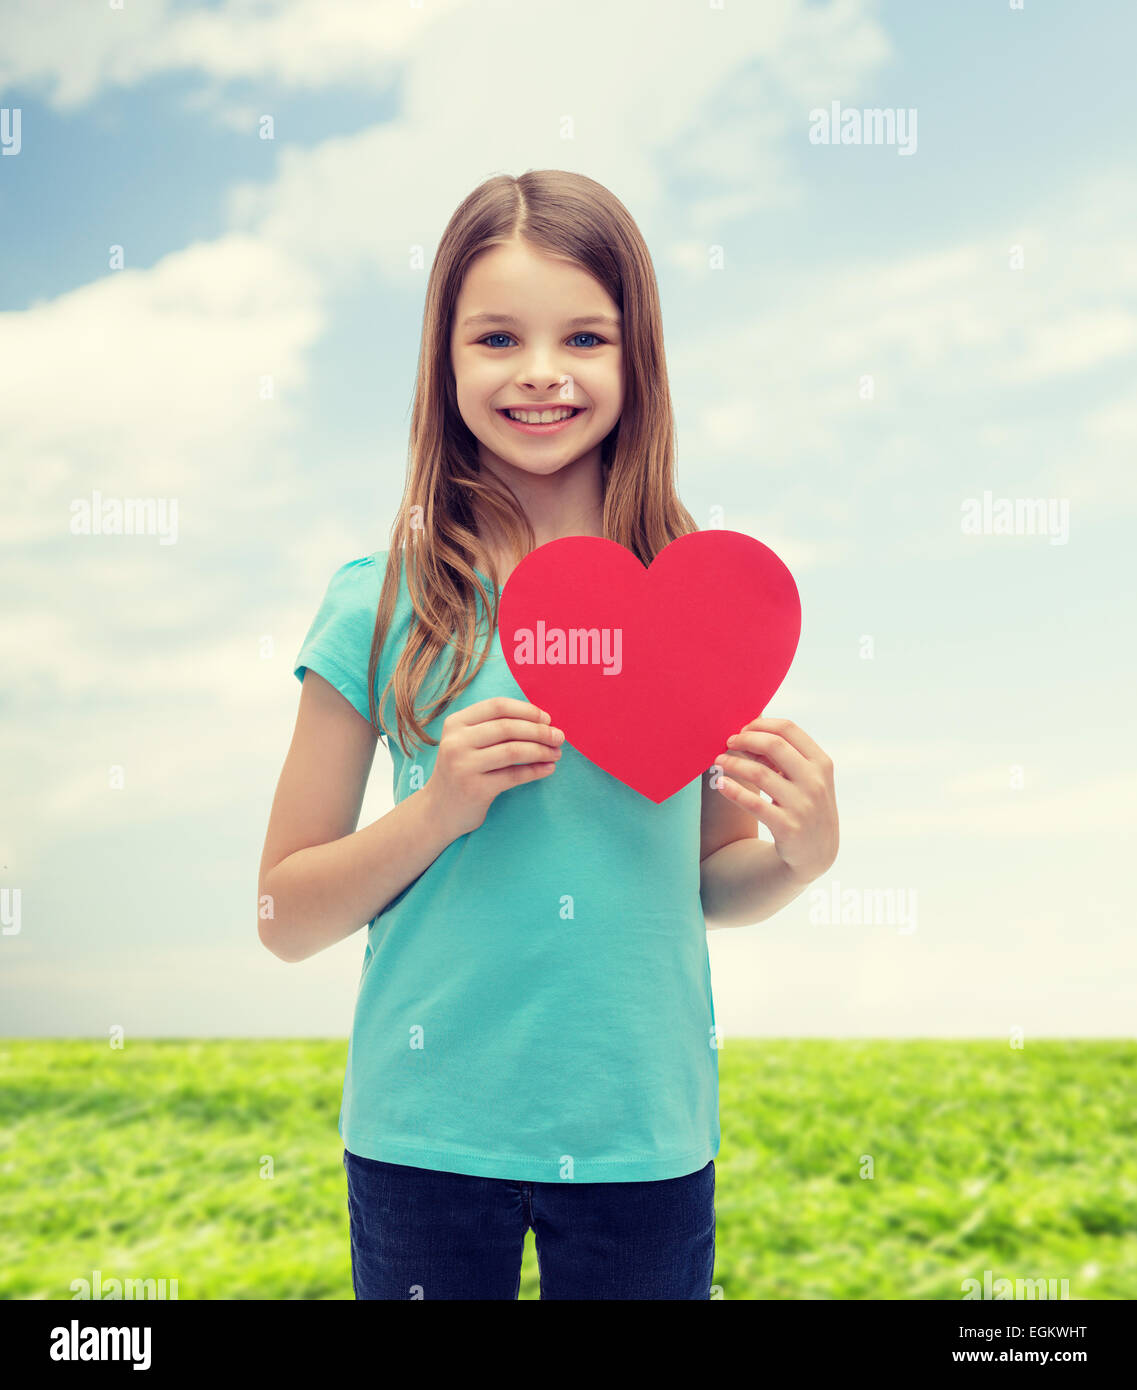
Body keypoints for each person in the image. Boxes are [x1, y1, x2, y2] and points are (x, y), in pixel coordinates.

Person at [258, 169, 839, 1300]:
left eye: (583, 335)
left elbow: (705, 882)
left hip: (642, 1135)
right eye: (495, 338)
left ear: (638, 362)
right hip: (425, 1137)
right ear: (445, 362)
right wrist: (437, 810)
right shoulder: (377, 605)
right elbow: (283, 914)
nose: (539, 371)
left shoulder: (702, 605)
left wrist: (799, 857)